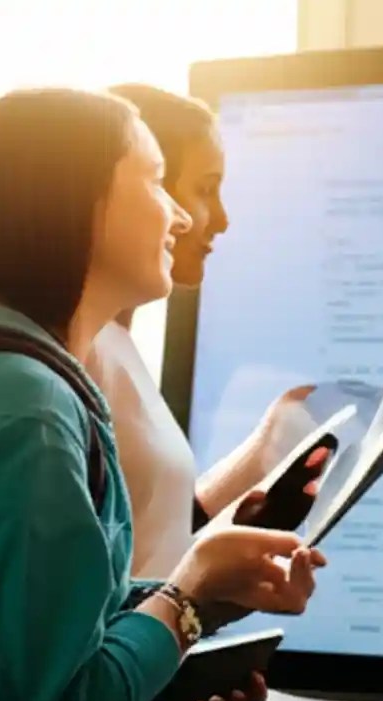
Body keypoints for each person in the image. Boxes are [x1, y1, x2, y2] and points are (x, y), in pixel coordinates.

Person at [0, 87, 326, 701]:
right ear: (83, 202)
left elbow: (62, 631)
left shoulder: (7, 382)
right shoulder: (25, 411)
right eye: (157, 182)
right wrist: (186, 595)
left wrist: (208, 596)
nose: (181, 217)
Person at [86, 83, 316, 580]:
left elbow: (150, 535)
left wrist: (265, 449)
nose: (221, 220)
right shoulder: (84, 352)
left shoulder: (116, 344)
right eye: (206, 189)